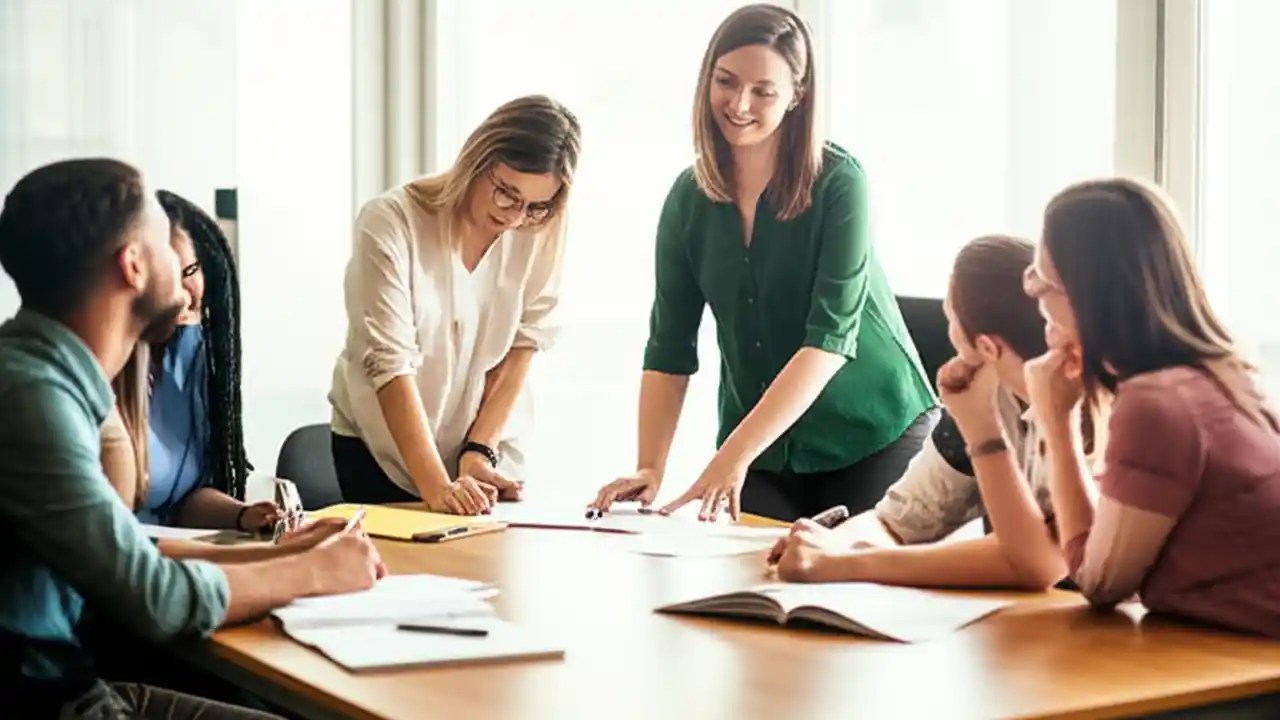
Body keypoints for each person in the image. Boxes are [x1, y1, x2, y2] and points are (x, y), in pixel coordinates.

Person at [0, 158, 384, 718]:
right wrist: (315, 572)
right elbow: (153, 596)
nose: (186, 269)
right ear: (133, 265)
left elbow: (118, 551)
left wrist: (282, 551)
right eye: (165, 242)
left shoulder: (43, 375)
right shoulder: (33, 398)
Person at [588, 4, 936, 523]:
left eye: (763, 91)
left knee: (852, 565)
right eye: (725, 81)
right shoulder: (688, 199)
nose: (739, 104)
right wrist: (650, 466)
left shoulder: (841, 183)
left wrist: (731, 456)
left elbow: (829, 340)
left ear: (797, 94)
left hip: (872, 431)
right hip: (765, 452)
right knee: (748, 566)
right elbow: (669, 346)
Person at [1015, 177, 1280, 638]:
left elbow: (1100, 581)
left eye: (1042, 280)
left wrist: (1057, 424)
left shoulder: (1155, 406)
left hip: (1252, 664)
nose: (1033, 294)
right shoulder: (1226, 375)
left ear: (1086, 294)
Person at [770, 236, 1068, 590]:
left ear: (988, 347)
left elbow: (1040, 562)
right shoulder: (985, 395)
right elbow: (896, 523)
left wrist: (844, 563)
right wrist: (832, 543)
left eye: (950, 319)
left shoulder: (1087, 406)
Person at [329, 95, 580, 516]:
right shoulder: (391, 222)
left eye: (534, 206)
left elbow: (524, 344)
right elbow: (390, 365)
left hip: (484, 454)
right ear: (476, 159)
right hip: (382, 453)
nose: (515, 218)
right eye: (506, 194)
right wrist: (438, 488)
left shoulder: (541, 227)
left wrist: (479, 450)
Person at [103, 190, 277, 534]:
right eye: (167, 273)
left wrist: (244, 515)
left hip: (168, 552)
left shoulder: (197, 354)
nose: (181, 293)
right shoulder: (102, 366)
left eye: (190, 271)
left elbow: (182, 501)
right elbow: (111, 545)